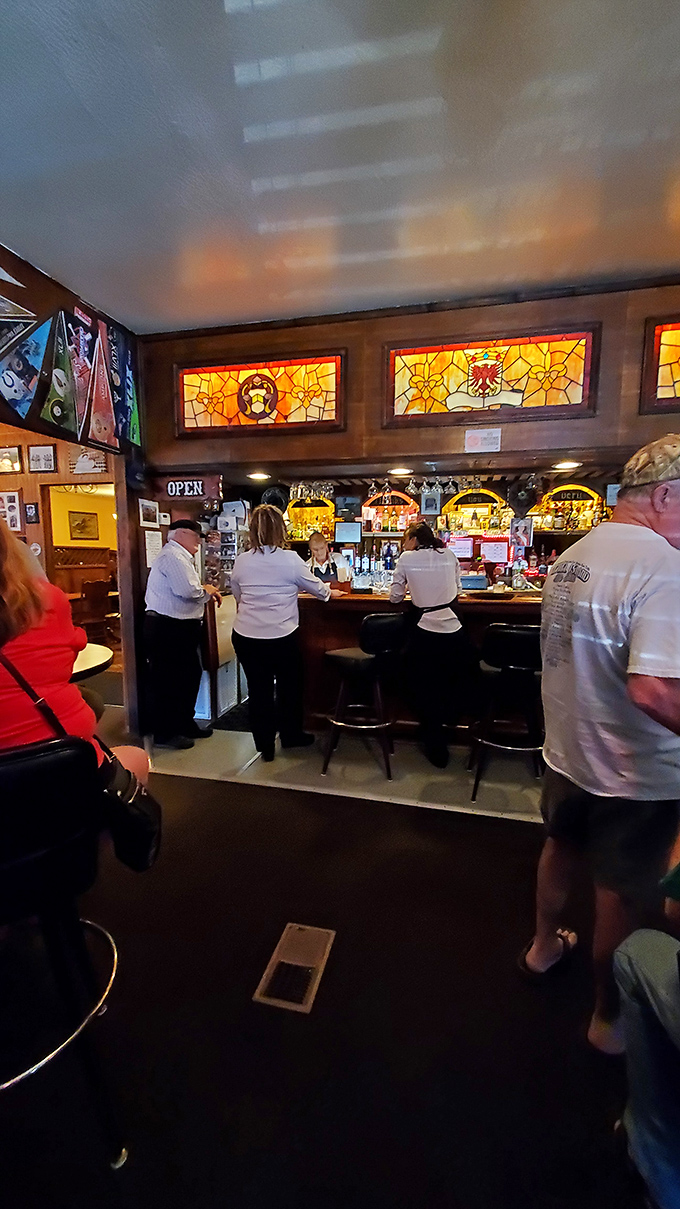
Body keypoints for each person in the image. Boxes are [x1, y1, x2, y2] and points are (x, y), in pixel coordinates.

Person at [519, 434, 680, 1054]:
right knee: (621, 892)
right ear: (664, 494)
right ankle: (608, 1021)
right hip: (632, 769)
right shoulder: (664, 567)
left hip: (568, 751)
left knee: (560, 845)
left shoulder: (575, 556)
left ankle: (540, 949)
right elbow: (654, 692)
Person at [0, 517, 148, 788]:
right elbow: (75, 644)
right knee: (136, 757)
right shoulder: (43, 599)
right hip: (65, 767)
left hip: (22, 781)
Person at [230, 504, 340, 761]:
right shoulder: (290, 559)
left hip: (246, 635)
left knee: (259, 691)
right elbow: (319, 591)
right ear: (281, 529)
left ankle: (265, 747)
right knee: (290, 687)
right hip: (281, 636)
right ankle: (291, 736)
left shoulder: (242, 560)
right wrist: (330, 592)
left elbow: (238, 593)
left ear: (252, 531)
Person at [389, 521, 477, 769]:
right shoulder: (449, 555)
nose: (404, 545)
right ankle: (452, 730)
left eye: (406, 540)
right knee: (450, 684)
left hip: (426, 634)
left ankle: (433, 741)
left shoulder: (406, 558)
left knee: (420, 685)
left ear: (414, 540)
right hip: (455, 633)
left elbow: (395, 597)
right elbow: (458, 590)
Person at [145, 518, 222, 749]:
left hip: (178, 628)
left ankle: (183, 724)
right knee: (169, 681)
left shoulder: (180, 556)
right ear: (179, 534)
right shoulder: (173, 556)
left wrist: (204, 592)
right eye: (195, 535)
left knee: (187, 677)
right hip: (167, 628)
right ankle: (165, 733)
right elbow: (187, 591)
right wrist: (206, 590)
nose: (199, 539)